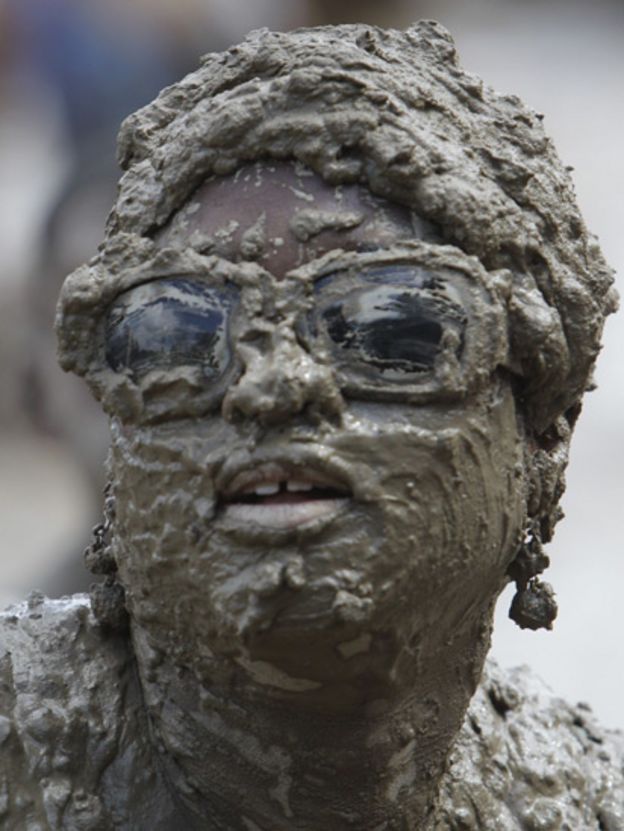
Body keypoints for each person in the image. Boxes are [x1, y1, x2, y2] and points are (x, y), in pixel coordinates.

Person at [1, 21, 622, 830]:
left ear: (544, 440)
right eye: (178, 333)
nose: (273, 385)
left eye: (391, 326)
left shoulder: (586, 805)